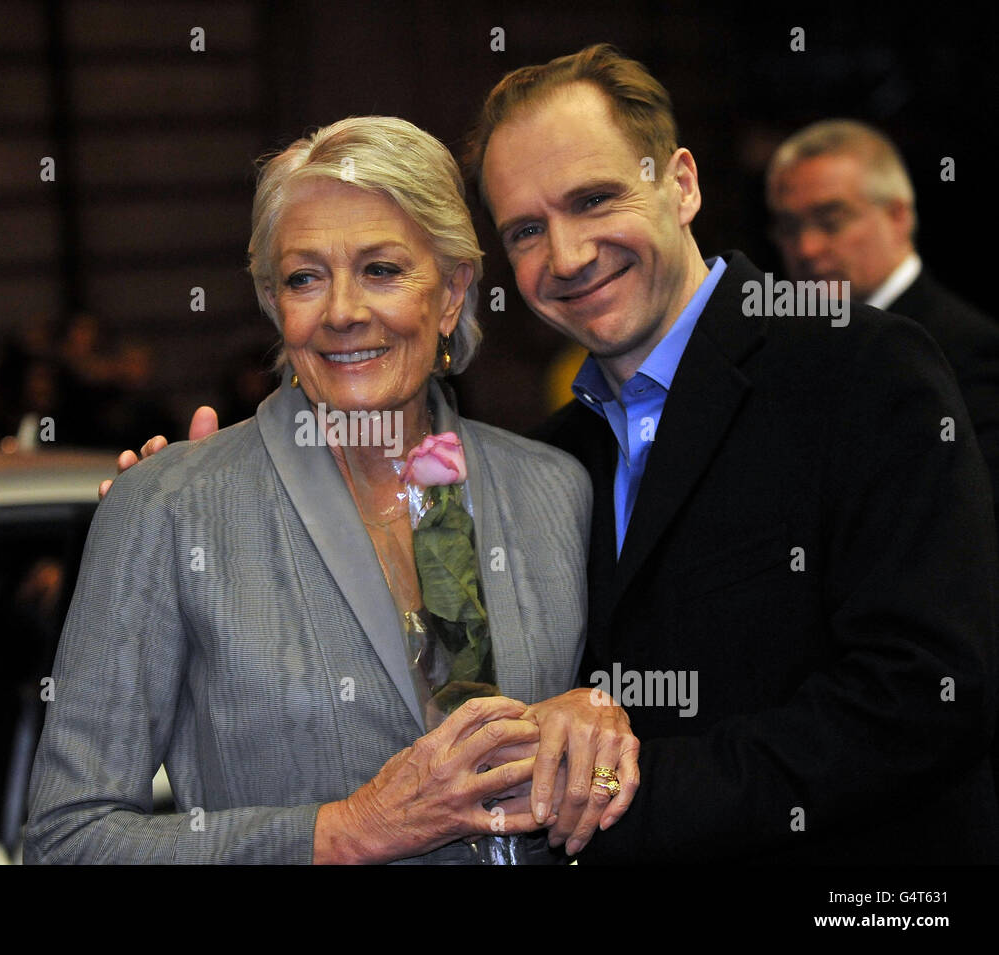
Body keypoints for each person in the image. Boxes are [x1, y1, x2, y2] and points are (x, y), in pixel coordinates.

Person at [123, 45, 999, 862]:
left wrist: (621, 781)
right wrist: (217, 514)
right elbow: (454, 702)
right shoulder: (552, 464)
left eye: (593, 200)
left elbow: (924, 700)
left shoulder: (858, 369)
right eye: (527, 230)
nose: (568, 255)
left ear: (682, 184)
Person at [25, 116, 636, 865]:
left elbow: (600, 755)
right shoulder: (168, 508)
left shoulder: (551, 489)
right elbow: (67, 841)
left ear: (450, 293)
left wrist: (595, 724)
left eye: (381, 269)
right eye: (305, 277)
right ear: (275, 304)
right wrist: (345, 830)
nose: (343, 311)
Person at [766, 119, 999, 528]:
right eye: (790, 227)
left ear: (898, 216)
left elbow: (968, 520)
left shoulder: (967, 349)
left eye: (831, 219)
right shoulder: (787, 349)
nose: (807, 248)